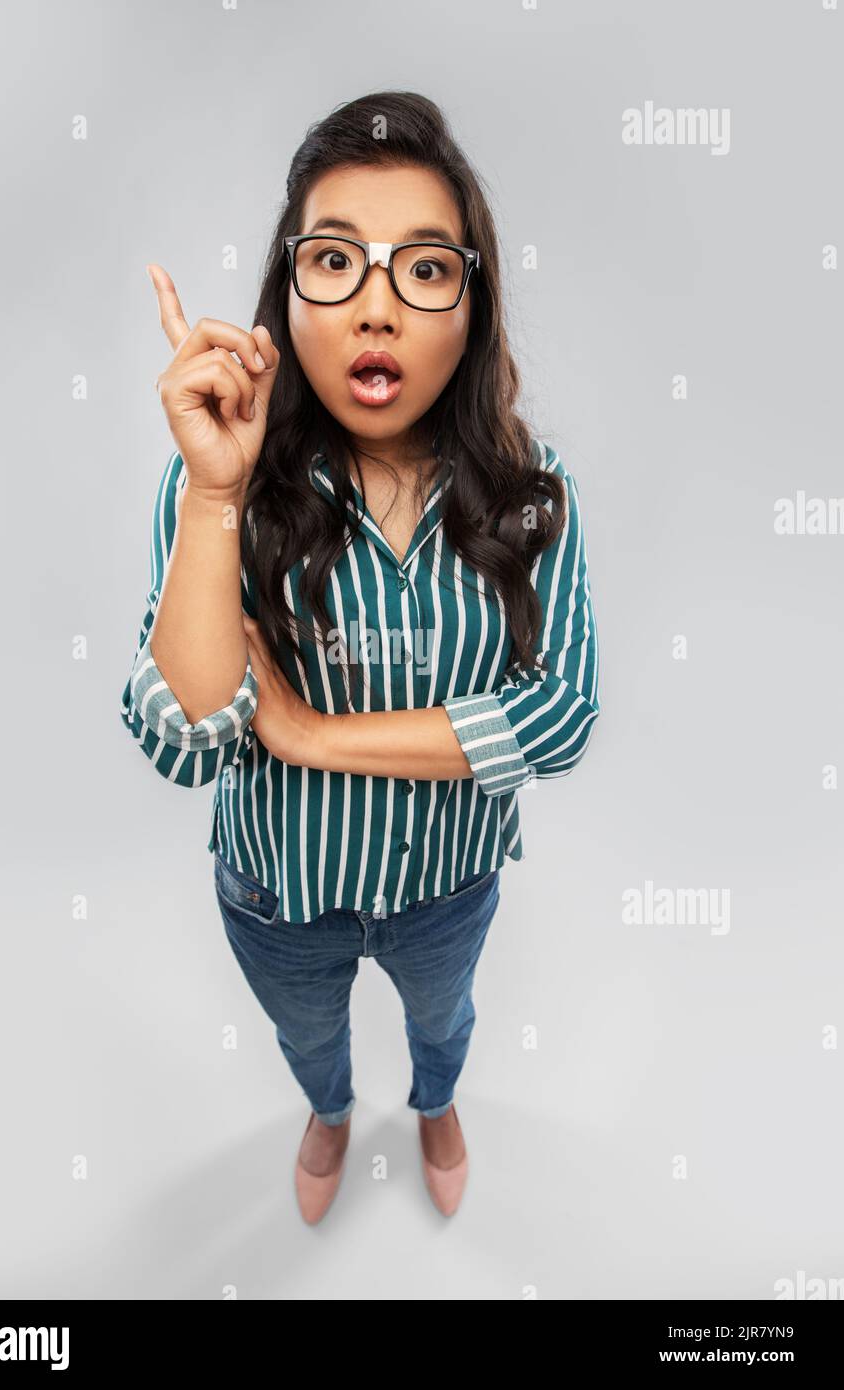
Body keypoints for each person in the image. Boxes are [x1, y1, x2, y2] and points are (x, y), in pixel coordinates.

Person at [121, 91, 601, 1224]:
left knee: (444, 1021)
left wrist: (305, 733)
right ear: (286, 299)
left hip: (448, 885)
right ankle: (330, 1109)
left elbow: (561, 717)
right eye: (334, 262)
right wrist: (214, 493)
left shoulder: (535, 499)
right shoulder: (214, 493)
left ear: (470, 307)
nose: (375, 309)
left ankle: (436, 1099)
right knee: (308, 1034)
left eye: (423, 270)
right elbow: (183, 741)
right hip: (278, 892)